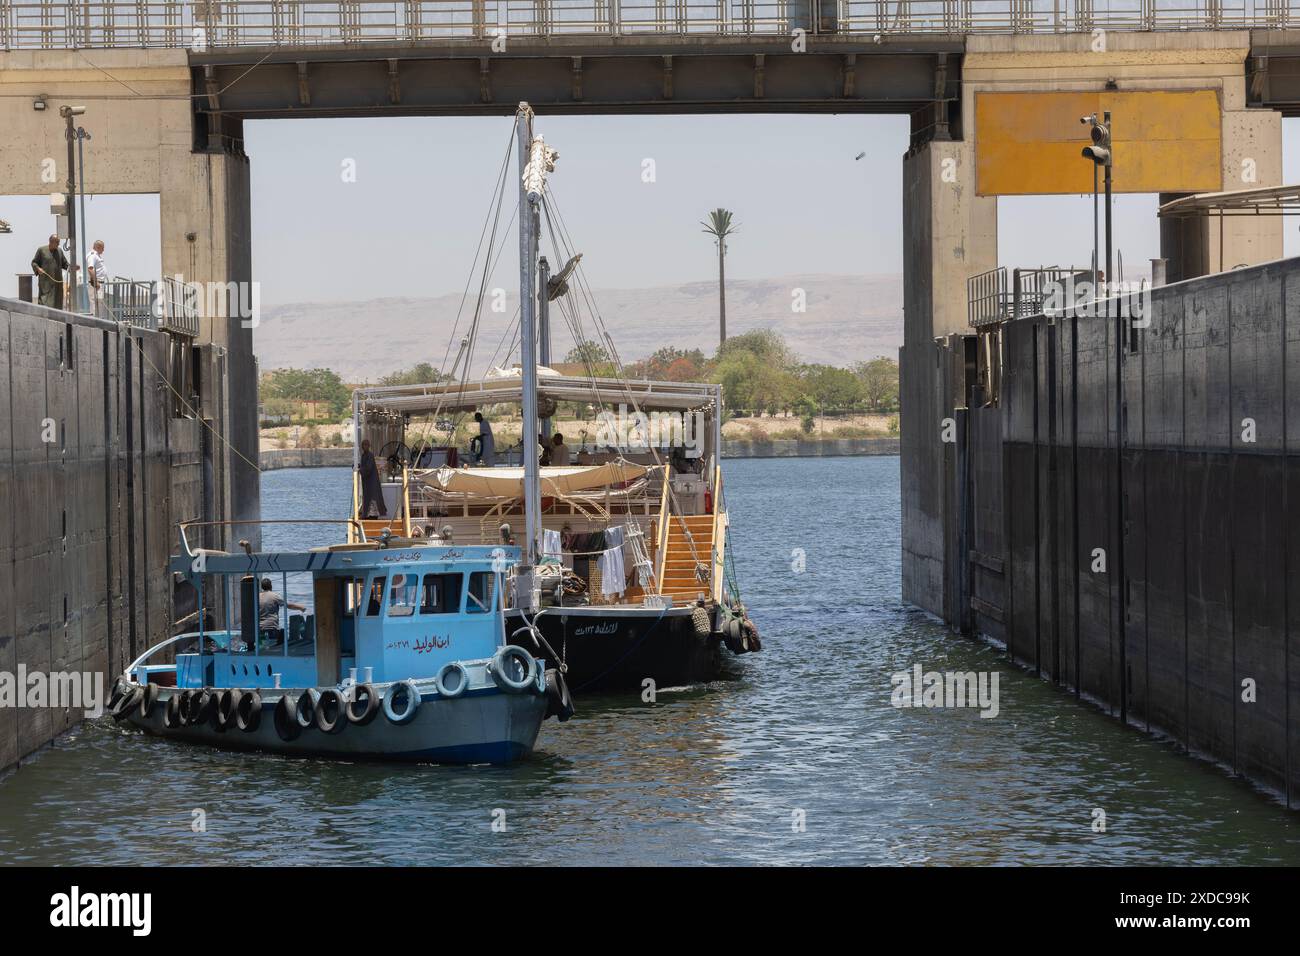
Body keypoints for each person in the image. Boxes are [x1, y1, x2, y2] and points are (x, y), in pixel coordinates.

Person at [32, 235, 71, 309]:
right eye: (57, 242)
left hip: (57, 283)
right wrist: (38, 269)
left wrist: (72, 268)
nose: (58, 244)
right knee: (45, 302)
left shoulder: (59, 251)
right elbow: (34, 262)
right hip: (46, 283)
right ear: (51, 242)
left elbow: (65, 264)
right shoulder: (41, 250)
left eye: (59, 242)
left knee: (57, 303)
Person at [358, 438, 387, 518]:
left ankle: (373, 516)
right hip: (367, 482)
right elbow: (365, 466)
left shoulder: (370, 455)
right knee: (367, 497)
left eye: (366, 445)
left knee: (373, 497)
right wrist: (359, 467)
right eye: (364, 445)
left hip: (372, 481)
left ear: (369, 446)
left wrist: (361, 470)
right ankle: (367, 514)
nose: (365, 447)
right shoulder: (364, 456)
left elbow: (369, 468)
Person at [86, 240, 107, 317]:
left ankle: (98, 320)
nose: (103, 250)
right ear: (98, 247)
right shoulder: (93, 255)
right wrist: (96, 282)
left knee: (99, 303)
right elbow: (90, 268)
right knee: (95, 304)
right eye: (102, 248)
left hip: (99, 283)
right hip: (96, 284)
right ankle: (95, 322)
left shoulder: (96, 255)